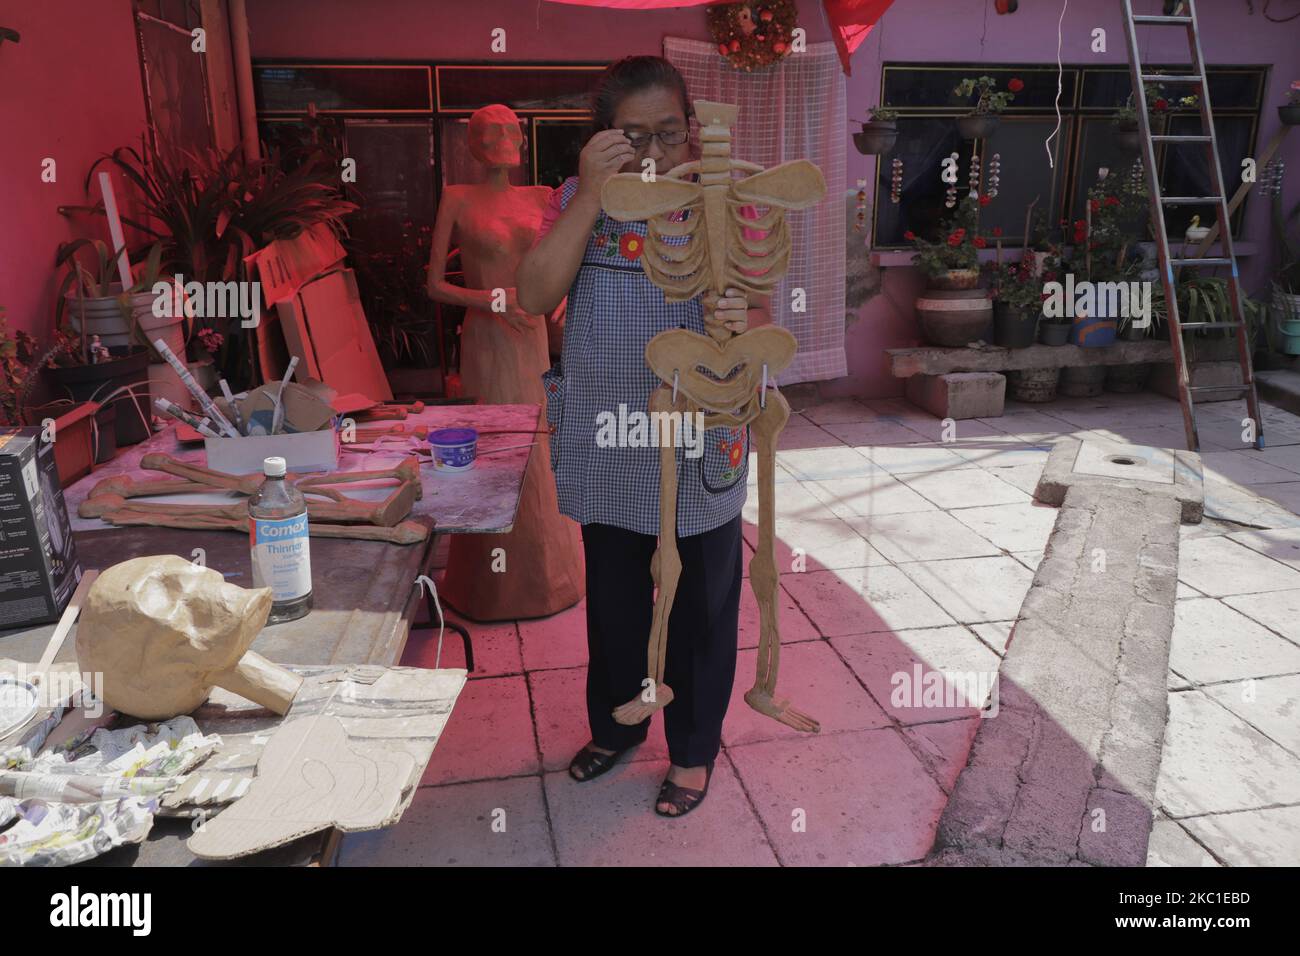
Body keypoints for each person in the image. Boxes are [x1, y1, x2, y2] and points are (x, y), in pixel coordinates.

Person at [517, 56, 769, 817]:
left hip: (699, 434)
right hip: (609, 433)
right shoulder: (577, 202)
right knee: (619, 604)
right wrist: (593, 193)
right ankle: (619, 728)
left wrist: (738, 324)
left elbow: (755, 310)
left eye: (668, 131)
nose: (655, 152)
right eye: (634, 136)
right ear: (603, 141)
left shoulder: (725, 202)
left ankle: (693, 748)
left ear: (694, 132)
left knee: (701, 607)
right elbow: (532, 294)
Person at [427, 104, 583, 622]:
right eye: (490, 131)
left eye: (510, 128)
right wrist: (495, 299)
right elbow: (433, 285)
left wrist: (558, 295)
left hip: (531, 337)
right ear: (473, 143)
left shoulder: (542, 197)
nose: (504, 137)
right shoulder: (456, 198)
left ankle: (550, 577)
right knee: (494, 450)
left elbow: (567, 256)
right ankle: (484, 587)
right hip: (489, 341)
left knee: (538, 446)